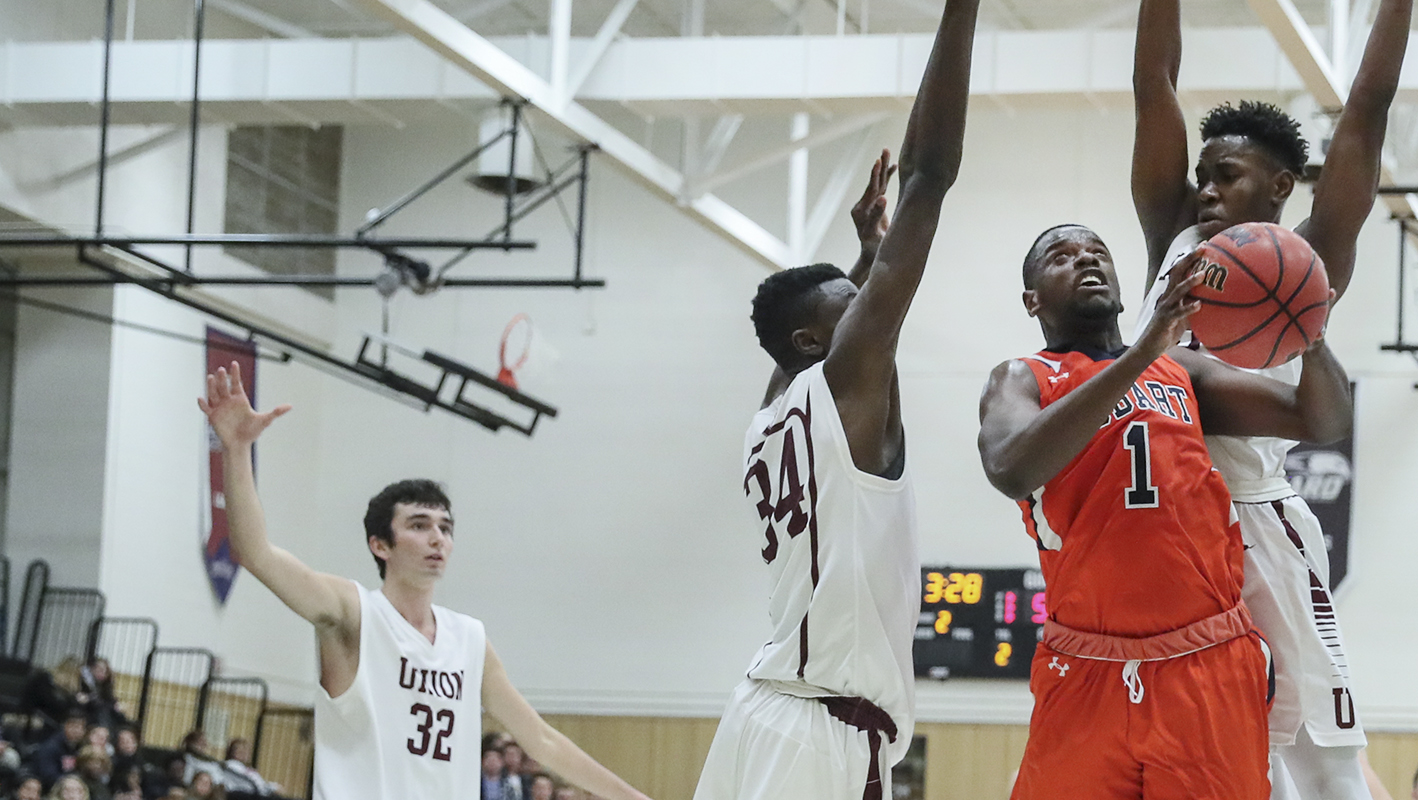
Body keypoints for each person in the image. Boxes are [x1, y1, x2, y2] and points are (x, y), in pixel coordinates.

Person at [692, 0, 978, 798]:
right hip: (822, 729)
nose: (871, 312)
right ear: (820, 345)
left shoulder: (769, 416)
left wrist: (862, 253)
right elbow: (932, 174)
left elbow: (795, 353)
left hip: (758, 711)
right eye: (853, 304)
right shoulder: (840, 384)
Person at [1130, 0, 1411, 798]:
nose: (1206, 191)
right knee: (1201, 750)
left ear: (1281, 185)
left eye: (1227, 176)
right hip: (1168, 525)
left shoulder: (1311, 261)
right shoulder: (1175, 239)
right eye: (1202, 176)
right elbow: (1155, 83)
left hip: (1257, 520)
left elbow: (1367, 111)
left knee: (1317, 758)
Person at [979, 228, 1353, 800]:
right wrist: (1140, 353)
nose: (1085, 260)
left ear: (1125, 290)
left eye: (1097, 252)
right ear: (1033, 299)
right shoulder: (1022, 377)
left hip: (1206, 663)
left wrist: (1312, 332)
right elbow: (1010, 467)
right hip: (1085, 668)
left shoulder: (1182, 370)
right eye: (1062, 257)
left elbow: (1319, 421)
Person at [196, 365, 653, 800]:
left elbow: (542, 741)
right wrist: (235, 450)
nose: (437, 537)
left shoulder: (469, 639)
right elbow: (255, 553)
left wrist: (630, 795)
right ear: (381, 545)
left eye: (445, 527)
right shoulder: (353, 612)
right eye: (419, 525)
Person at [32, 715, 85, 784]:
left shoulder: (82, 746)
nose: (77, 731)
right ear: (65, 727)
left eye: (80, 728)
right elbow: (48, 775)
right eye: (74, 727)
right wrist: (70, 782)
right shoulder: (50, 747)